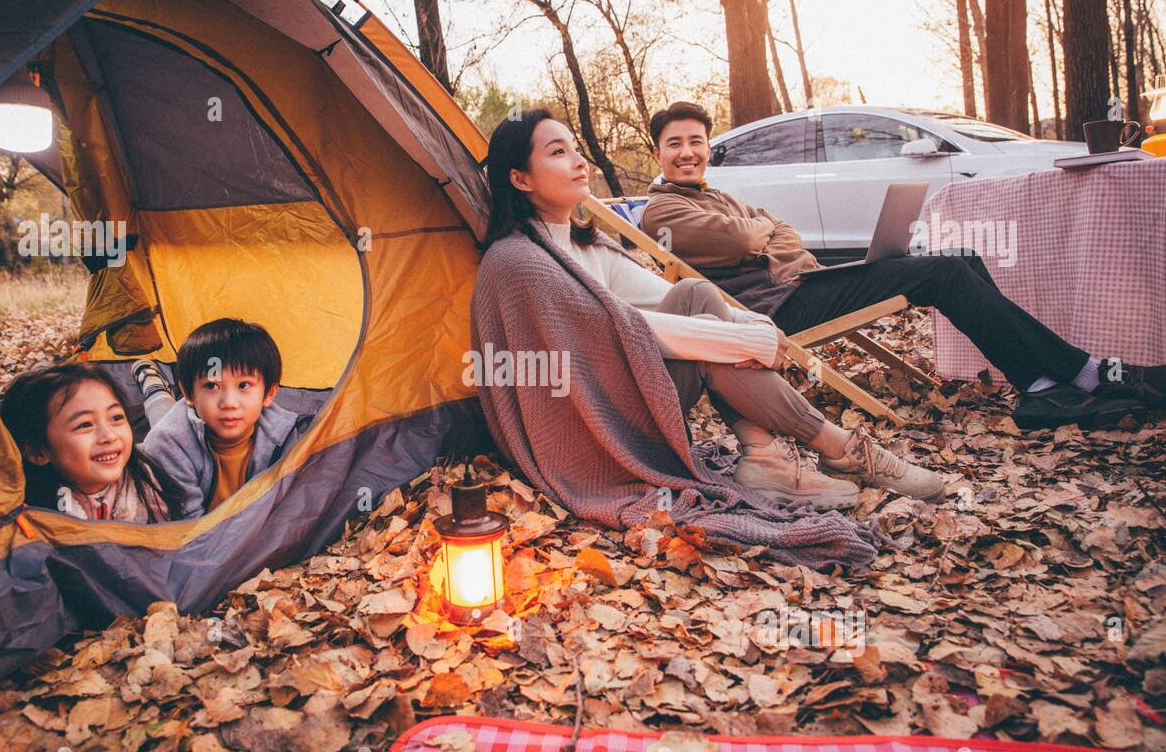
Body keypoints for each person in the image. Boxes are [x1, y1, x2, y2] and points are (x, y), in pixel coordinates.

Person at [480, 109, 943, 510]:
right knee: (705, 341)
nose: (580, 162)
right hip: (591, 428)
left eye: (576, 148)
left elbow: (658, 300)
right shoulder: (522, 262)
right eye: (558, 153)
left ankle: (764, 458)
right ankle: (840, 448)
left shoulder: (584, 242)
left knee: (697, 295)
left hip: (625, 390)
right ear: (520, 178)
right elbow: (621, 328)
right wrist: (748, 341)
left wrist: (750, 322)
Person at [640, 101, 1165, 431]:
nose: (688, 152)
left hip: (802, 284)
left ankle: (1040, 388)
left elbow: (783, 231)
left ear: (707, 146)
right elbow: (744, 235)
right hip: (775, 310)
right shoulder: (662, 209)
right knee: (942, 274)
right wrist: (761, 235)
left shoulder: (717, 195)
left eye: (696, 141)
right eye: (675, 145)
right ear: (658, 154)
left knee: (959, 258)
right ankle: (1082, 372)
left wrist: (762, 237)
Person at [136, 318, 311, 519]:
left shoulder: (287, 434)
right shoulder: (168, 444)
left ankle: (154, 387)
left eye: (243, 385)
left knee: (166, 414)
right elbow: (187, 530)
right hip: (179, 438)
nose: (229, 403)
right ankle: (153, 386)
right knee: (164, 423)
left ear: (269, 393)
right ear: (189, 394)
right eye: (211, 386)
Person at [0, 363, 177, 523]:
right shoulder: (35, 515)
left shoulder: (151, 477)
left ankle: (154, 387)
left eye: (116, 417)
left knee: (167, 427)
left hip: (161, 438)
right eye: (85, 424)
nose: (109, 436)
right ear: (37, 452)